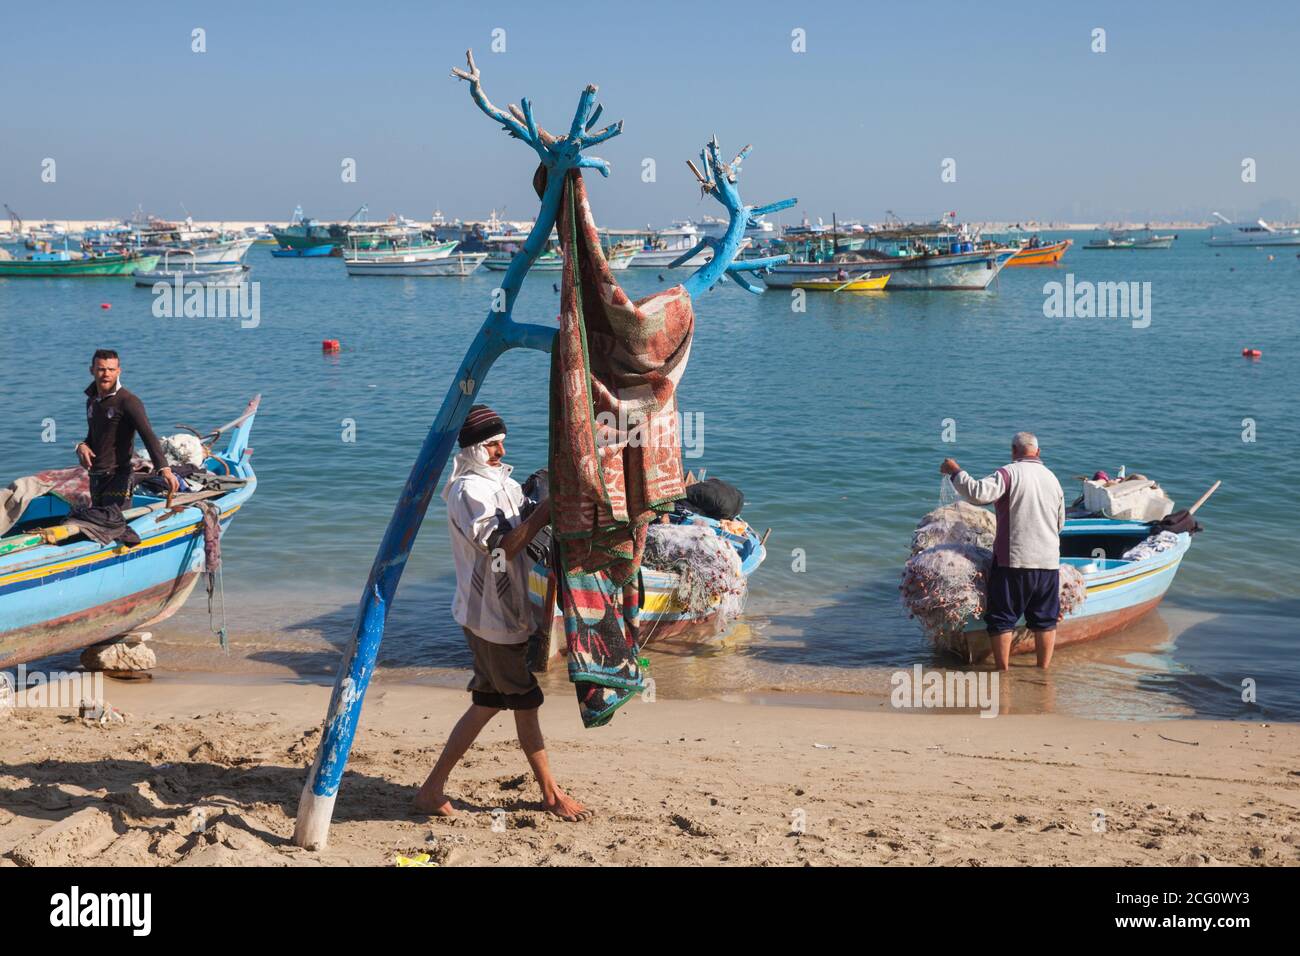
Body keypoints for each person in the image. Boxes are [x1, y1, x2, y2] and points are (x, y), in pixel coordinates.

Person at [414, 404, 592, 822]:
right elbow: (502, 547)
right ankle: (550, 795)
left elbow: (524, 526)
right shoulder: (468, 491)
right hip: (492, 618)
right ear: (474, 448)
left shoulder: (499, 482)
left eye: (502, 443)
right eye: (491, 445)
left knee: (488, 702)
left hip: (492, 614)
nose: (499, 451)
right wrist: (548, 510)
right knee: (526, 702)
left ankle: (431, 789)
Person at [940, 431, 1065, 670]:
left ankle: (1002, 671)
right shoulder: (1053, 479)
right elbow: (1060, 523)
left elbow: (977, 494)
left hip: (1014, 561)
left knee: (1002, 618)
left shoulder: (1008, 473)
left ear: (1013, 451)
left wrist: (955, 470)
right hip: (1049, 562)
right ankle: (1043, 670)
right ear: (1038, 452)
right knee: (1045, 620)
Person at [75, 349, 177, 508]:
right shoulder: (92, 401)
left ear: (118, 371)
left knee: (113, 526)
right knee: (98, 522)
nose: (106, 374)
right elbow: (94, 435)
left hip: (118, 477)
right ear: (92, 370)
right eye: (101, 369)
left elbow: (148, 435)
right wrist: (81, 446)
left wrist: (164, 468)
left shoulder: (128, 401)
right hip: (96, 477)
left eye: (111, 369)